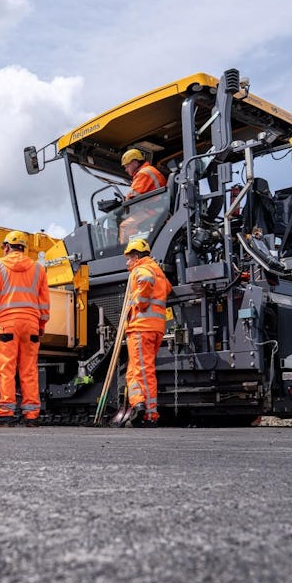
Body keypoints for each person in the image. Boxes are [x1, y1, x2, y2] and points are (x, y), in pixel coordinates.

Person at [0, 230, 50, 427]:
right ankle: (32, 415)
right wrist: (41, 325)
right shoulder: (38, 269)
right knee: (29, 370)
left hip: (8, 324)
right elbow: (44, 303)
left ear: (7, 247)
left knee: (6, 368)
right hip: (31, 325)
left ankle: (6, 413)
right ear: (24, 247)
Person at [122, 237, 172, 427]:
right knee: (133, 372)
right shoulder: (158, 271)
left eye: (129, 258)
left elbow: (145, 280)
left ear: (136, 256)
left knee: (143, 372)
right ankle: (138, 404)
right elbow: (167, 288)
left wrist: (141, 302)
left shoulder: (141, 269)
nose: (127, 262)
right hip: (155, 329)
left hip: (141, 328)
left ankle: (150, 414)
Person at [119, 148, 168, 242]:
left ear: (135, 162)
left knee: (125, 226)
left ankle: (131, 252)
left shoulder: (144, 173)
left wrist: (122, 205)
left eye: (127, 166)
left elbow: (132, 197)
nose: (126, 169)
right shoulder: (149, 171)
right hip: (158, 209)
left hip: (155, 211)